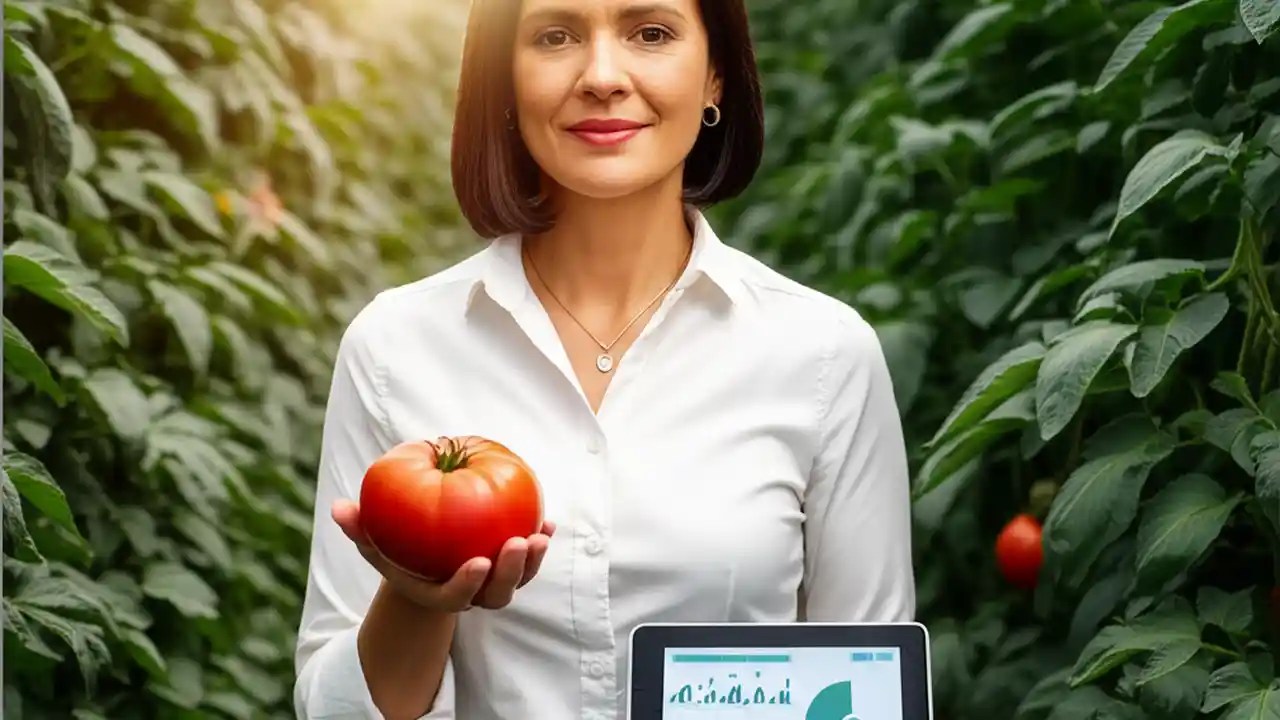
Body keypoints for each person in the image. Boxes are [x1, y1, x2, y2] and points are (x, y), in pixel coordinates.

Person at [292, 0, 916, 718]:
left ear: (716, 77)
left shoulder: (824, 355)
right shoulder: (396, 347)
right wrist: (418, 597)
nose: (602, 75)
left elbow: (871, 689)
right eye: (555, 36)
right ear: (504, 77)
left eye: (650, 33)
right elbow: (334, 712)